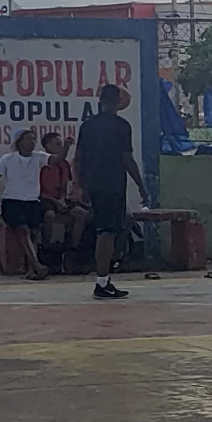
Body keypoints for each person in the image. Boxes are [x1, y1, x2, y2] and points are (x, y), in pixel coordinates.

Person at [75, 84, 149, 300]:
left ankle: (105, 274)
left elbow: (78, 157)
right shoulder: (121, 126)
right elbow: (126, 158)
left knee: (112, 227)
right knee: (106, 232)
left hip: (94, 184)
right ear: (118, 100)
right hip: (111, 183)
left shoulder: (87, 125)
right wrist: (141, 184)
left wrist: (80, 184)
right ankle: (102, 281)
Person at [0, 129, 51, 280]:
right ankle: (37, 265)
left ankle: (31, 270)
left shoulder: (39, 157)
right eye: (29, 139)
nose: (33, 142)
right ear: (20, 142)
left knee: (33, 234)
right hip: (12, 201)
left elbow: (55, 160)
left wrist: (66, 147)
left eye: (34, 139)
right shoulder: (8, 159)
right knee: (23, 230)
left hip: (32, 201)